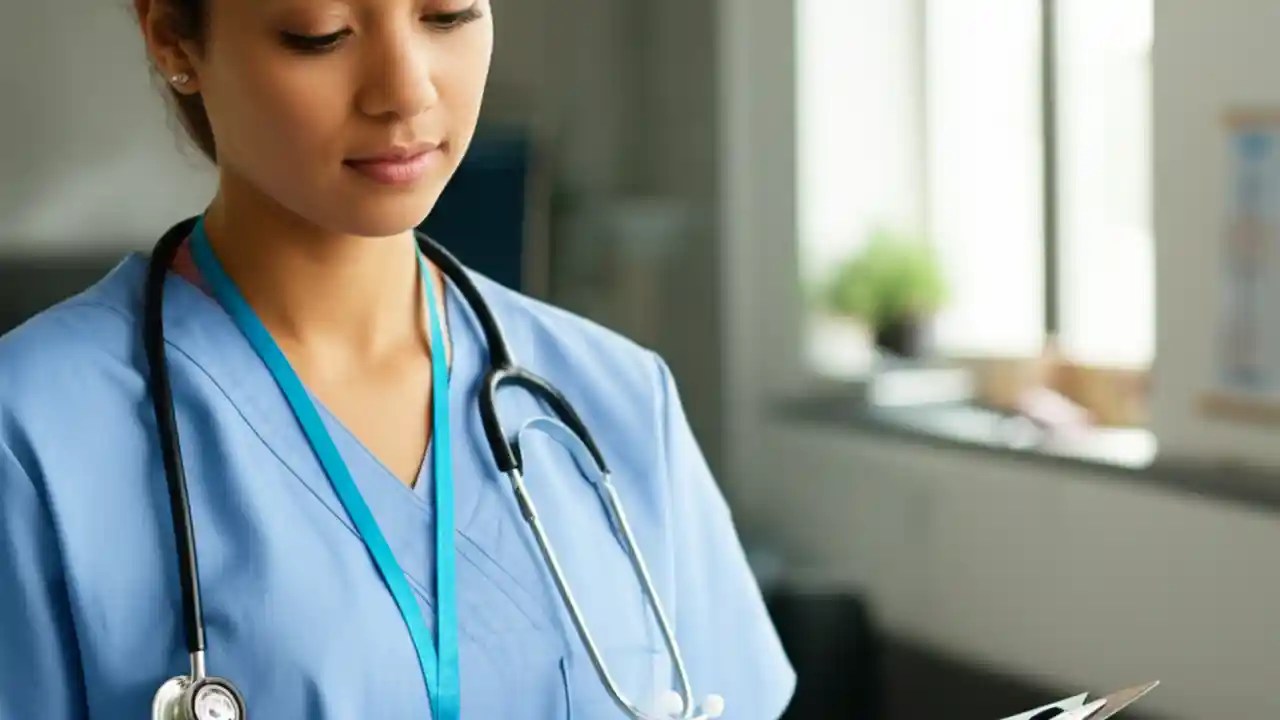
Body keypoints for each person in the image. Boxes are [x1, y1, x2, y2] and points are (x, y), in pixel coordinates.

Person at [0, 0, 796, 718]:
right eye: (321, 35)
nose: (405, 90)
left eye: (448, 15)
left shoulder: (613, 398)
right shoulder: (33, 433)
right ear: (173, 35)